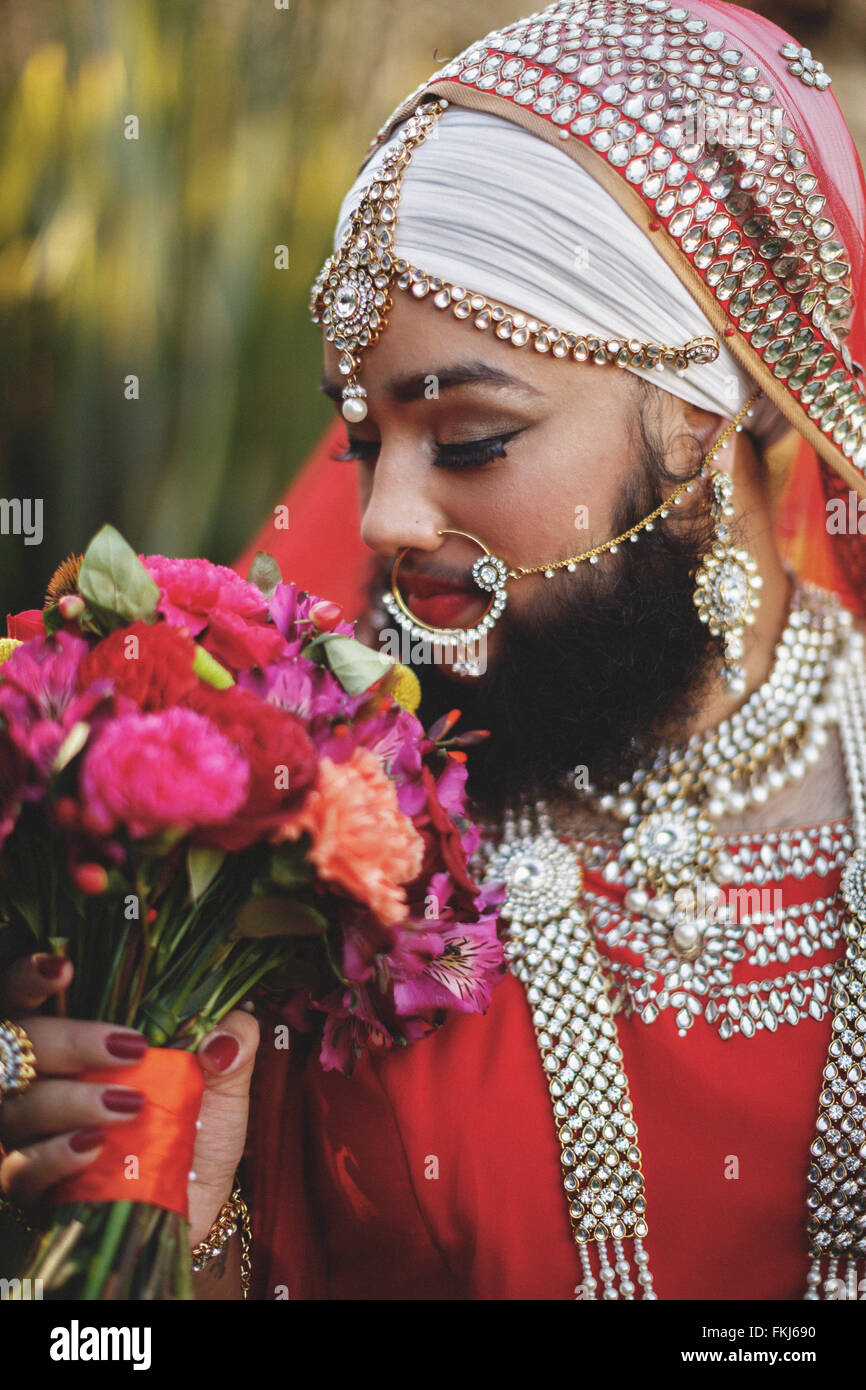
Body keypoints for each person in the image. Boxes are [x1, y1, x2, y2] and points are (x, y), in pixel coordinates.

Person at [3, 0, 866, 1301]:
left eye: (465, 438)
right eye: (362, 444)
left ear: (700, 419)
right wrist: (161, 1248)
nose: (386, 518)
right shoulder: (327, 840)